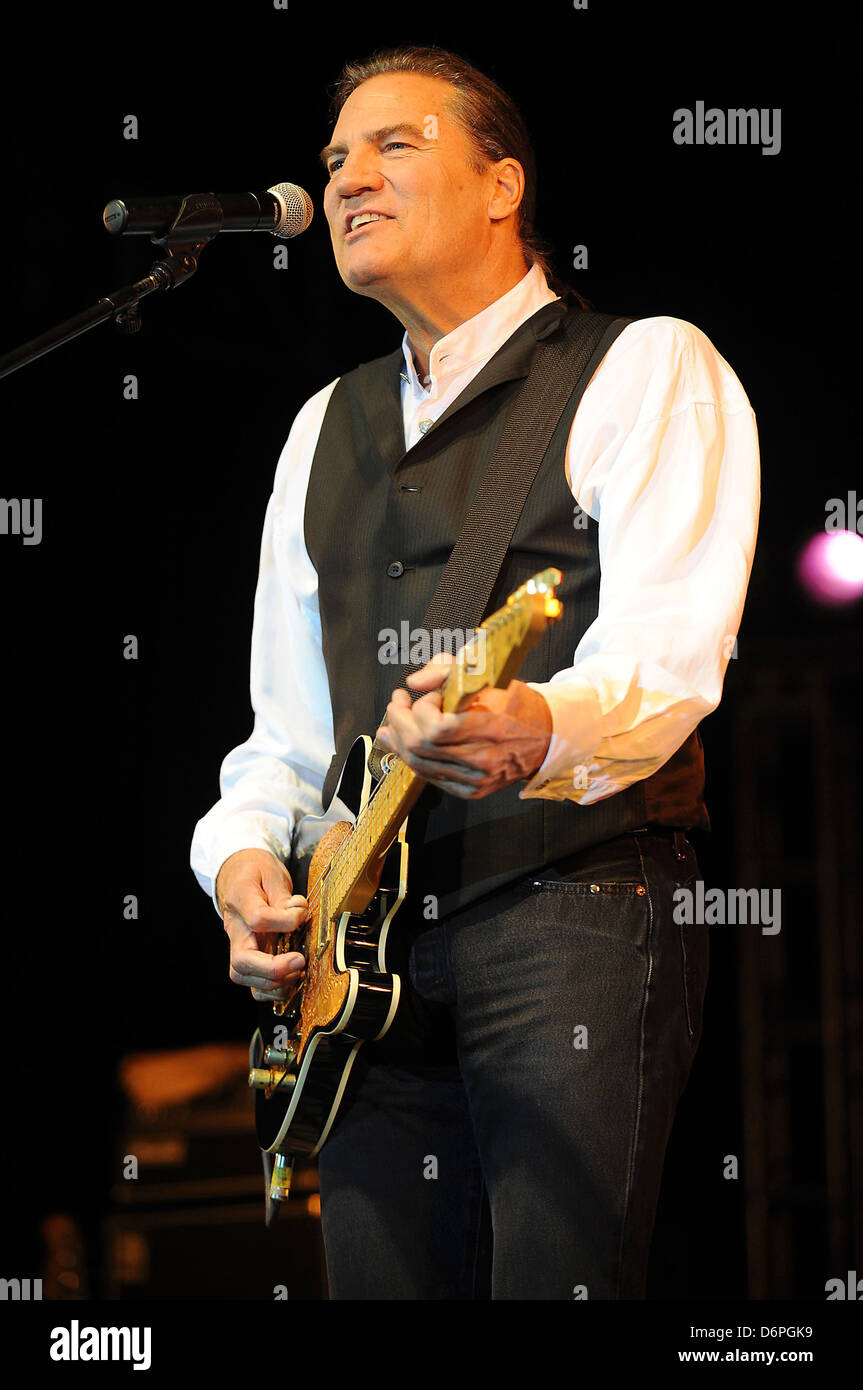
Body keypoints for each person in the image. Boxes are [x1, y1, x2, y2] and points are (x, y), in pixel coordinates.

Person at [190, 44, 760, 1299]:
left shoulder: (643, 365)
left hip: (572, 906)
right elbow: (281, 739)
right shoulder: (318, 429)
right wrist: (240, 863)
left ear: (502, 186)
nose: (347, 179)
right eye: (336, 157)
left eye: (396, 145)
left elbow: (665, 659)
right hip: (364, 972)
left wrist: (535, 726)